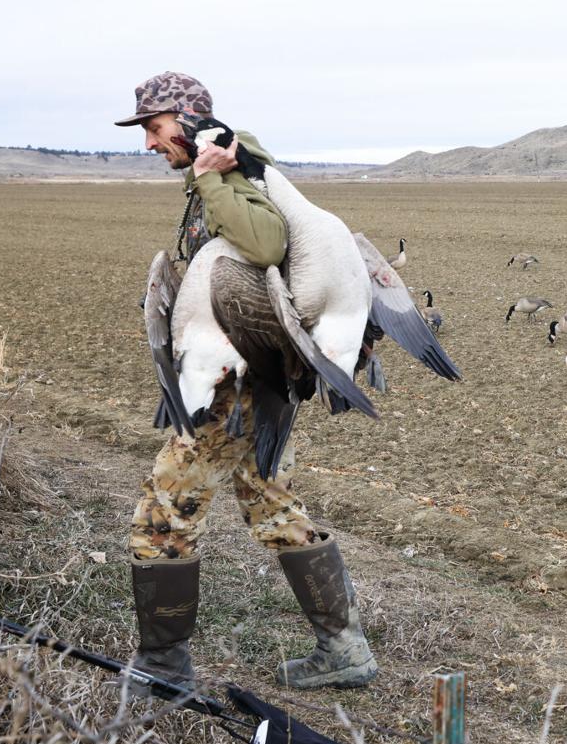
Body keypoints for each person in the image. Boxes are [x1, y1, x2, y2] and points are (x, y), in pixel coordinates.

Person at [113, 71, 377, 690]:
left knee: (165, 511)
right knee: (271, 500)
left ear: (184, 119)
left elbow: (263, 244)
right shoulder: (227, 169)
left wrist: (209, 174)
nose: (150, 143)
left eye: (154, 129)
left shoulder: (229, 171)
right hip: (262, 380)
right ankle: (344, 650)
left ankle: (162, 669)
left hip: (238, 389)